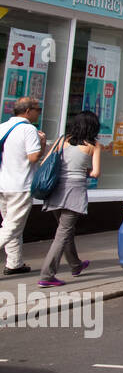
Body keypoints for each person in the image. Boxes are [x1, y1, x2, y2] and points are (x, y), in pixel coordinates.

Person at [37, 110, 101, 287]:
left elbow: (45, 162)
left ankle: (75, 265)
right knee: (63, 233)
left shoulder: (61, 140)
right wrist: (83, 170)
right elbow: (95, 172)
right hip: (75, 191)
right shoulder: (94, 145)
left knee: (65, 230)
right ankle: (47, 275)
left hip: (56, 189)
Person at [0, 96, 47, 276]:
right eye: (38, 109)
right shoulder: (28, 129)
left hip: (3, 184)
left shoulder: (3, 127)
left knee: (11, 225)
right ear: (28, 111)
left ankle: (14, 263)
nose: (38, 113)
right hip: (21, 185)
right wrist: (42, 144)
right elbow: (33, 157)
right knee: (12, 227)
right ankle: (14, 263)